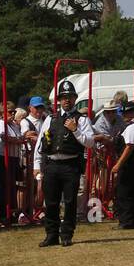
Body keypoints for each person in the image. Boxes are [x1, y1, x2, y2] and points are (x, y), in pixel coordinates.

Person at [36, 80, 95, 246]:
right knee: (51, 202)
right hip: (52, 165)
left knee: (70, 202)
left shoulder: (82, 119)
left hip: (70, 165)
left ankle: (67, 234)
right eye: (63, 97)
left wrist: (75, 130)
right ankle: (51, 235)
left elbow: (90, 142)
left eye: (69, 97)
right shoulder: (51, 118)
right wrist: (36, 166)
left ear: (75, 98)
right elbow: (41, 142)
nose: (66, 100)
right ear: (59, 100)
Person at [110, 100, 134, 229]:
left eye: (126, 112)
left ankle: (126, 221)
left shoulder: (132, 126)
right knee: (131, 191)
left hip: (129, 163)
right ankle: (132, 221)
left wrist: (118, 164)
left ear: (133, 113)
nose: (124, 115)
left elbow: (129, 146)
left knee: (124, 191)